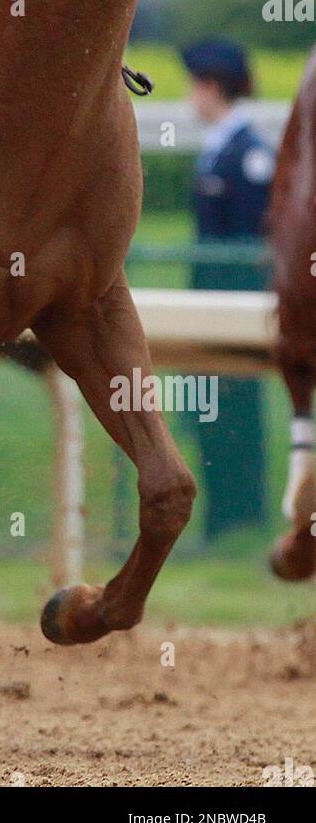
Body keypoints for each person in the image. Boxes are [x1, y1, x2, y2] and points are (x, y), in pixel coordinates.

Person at [182, 38, 273, 539]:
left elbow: (251, 243)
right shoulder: (220, 149)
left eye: (194, 85)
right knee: (208, 414)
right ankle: (221, 519)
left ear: (212, 87)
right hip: (208, 304)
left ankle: (239, 517)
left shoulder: (249, 155)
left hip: (234, 306)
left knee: (234, 411)